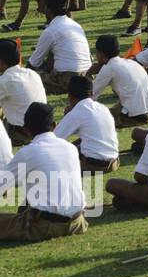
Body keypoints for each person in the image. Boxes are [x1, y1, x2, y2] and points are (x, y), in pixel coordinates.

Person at [0, 103, 88, 242]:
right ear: (54, 125)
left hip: (46, 227)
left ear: (26, 129)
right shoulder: (70, 148)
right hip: (78, 223)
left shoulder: (28, 152)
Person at [26, 0, 91, 94]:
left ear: (48, 10)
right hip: (86, 75)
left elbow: (34, 63)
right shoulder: (76, 25)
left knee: (31, 78)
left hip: (67, 80)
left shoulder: (50, 31)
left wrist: (22, 76)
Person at [55, 76, 120, 173]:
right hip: (114, 163)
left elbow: (54, 138)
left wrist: (66, 117)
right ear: (92, 94)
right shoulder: (103, 108)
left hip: (93, 165)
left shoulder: (77, 112)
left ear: (70, 97)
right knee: (82, 141)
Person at [90, 34, 148, 128]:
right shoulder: (131, 62)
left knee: (95, 121)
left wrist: (87, 74)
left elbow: (91, 96)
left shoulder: (109, 67)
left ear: (101, 54)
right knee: (111, 111)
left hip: (132, 117)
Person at [0, 38, 47, 145]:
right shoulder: (32, 73)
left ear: (1, 62)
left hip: (19, 133)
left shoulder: (5, 81)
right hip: (41, 128)